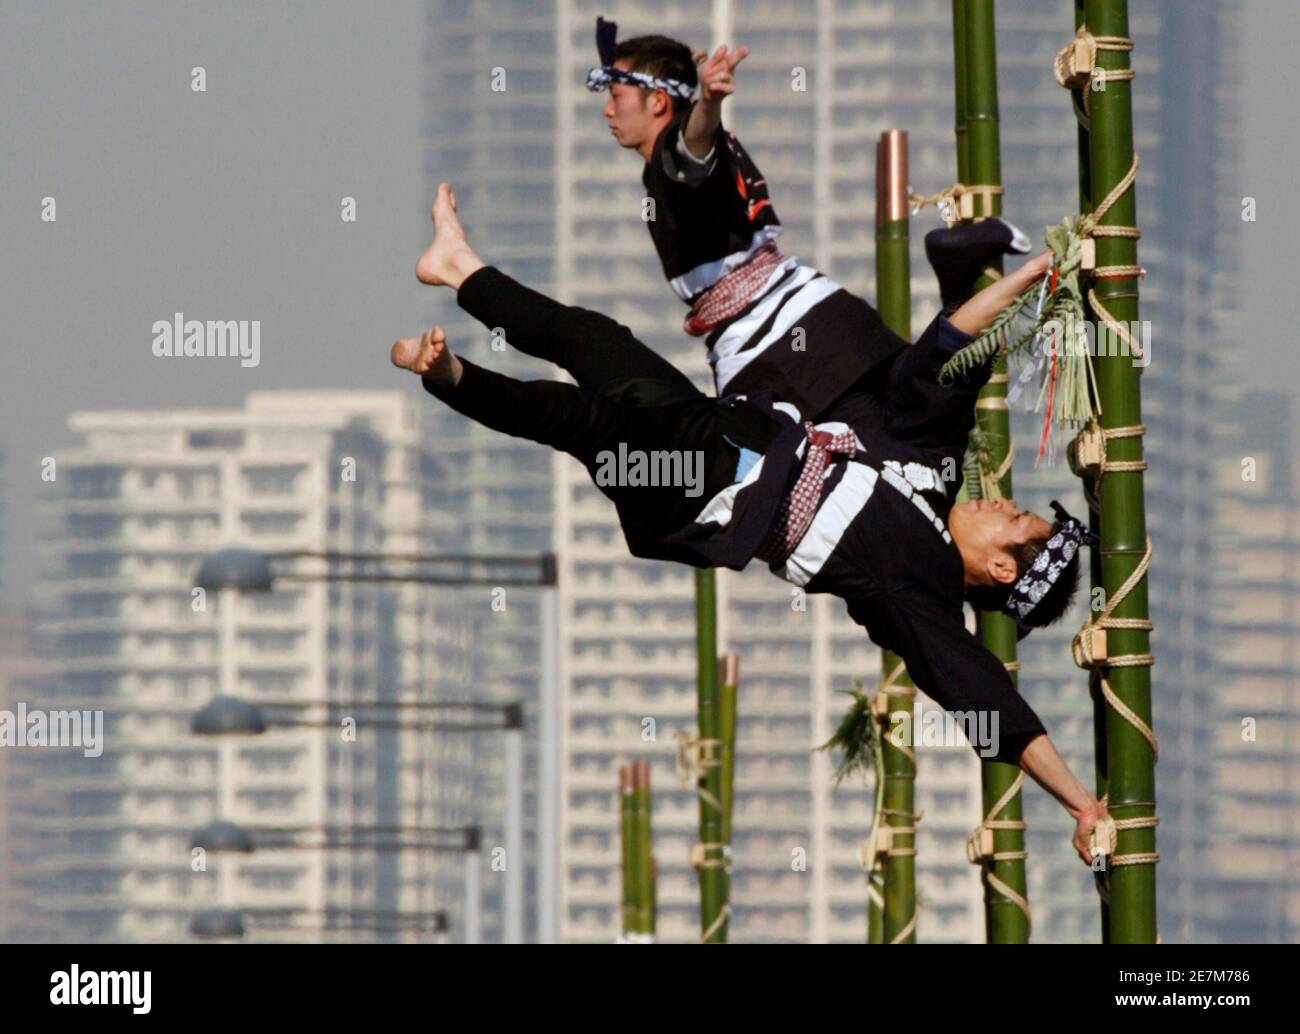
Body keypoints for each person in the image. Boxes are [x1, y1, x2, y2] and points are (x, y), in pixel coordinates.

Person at [395, 183, 1112, 864]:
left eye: (1011, 519)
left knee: (585, 422)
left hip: (705, 492)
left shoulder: (916, 592)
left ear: (1001, 568)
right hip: (724, 429)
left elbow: (989, 706)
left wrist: (1083, 806)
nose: (999, 502)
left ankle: (451, 377)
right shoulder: (930, 461)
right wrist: (1040, 274)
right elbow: (953, 344)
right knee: (592, 340)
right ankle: (459, 267)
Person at [585, 17, 1032, 421]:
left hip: (777, 346)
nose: (608, 110)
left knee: (802, 489)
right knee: (929, 411)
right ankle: (955, 275)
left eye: (616, 95)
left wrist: (707, 102)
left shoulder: (674, 160)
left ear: (658, 102)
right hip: (822, 313)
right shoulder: (699, 157)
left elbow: (692, 146)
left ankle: (954, 275)